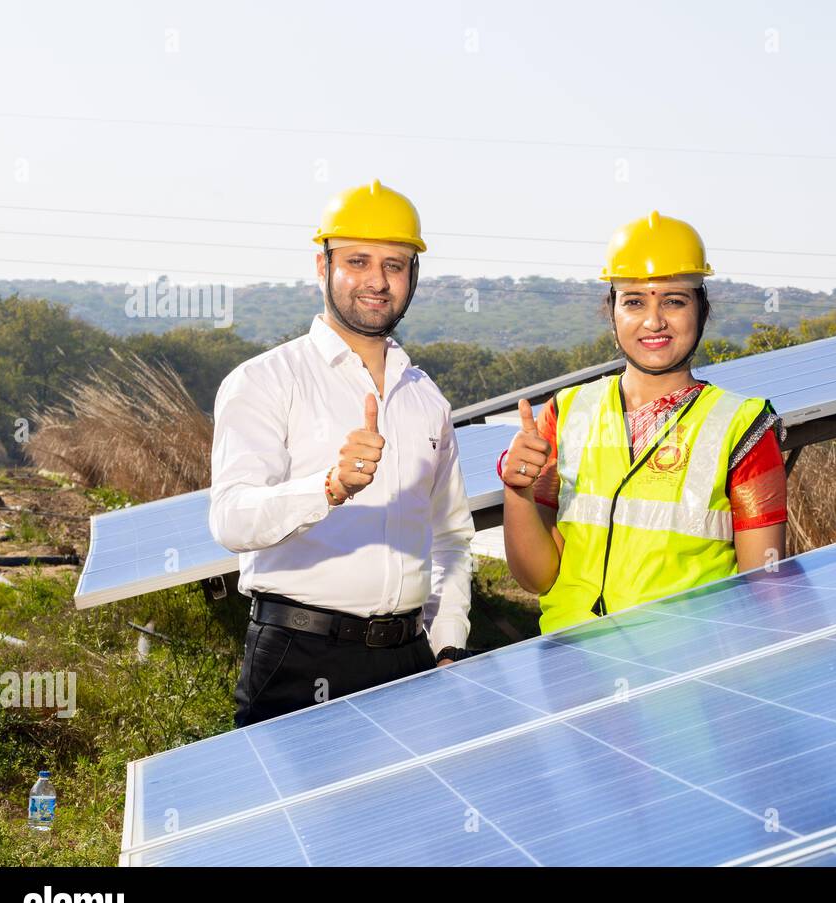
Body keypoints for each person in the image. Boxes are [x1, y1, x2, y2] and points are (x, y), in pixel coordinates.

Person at [208, 179, 474, 728]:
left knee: (405, 817)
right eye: (358, 260)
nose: (377, 281)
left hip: (411, 660)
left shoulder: (427, 398)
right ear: (322, 266)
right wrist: (328, 488)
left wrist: (447, 643)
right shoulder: (263, 381)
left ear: (413, 276)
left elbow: (450, 538)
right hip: (299, 659)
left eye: (395, 265)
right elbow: (231, 520)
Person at [499, 210, 787, 635]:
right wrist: (518, 494)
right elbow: (536, 579)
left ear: (701, 310)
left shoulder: (744, 428)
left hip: (682, 683)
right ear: (612, 310)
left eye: (674, 300)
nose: (654, 321)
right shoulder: (567, 411)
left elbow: (765, 591)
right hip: (573, 669)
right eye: (634, 301)